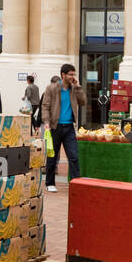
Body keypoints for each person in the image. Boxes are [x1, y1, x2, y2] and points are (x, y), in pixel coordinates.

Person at [41, 64, 86, 193]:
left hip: (69, 127)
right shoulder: (52, 89)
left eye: (74, 74)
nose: (73, 77)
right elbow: (45, 106)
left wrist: (78, 88)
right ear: (63, 75)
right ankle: (50, 183)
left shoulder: (74, 89)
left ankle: (75, 182)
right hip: (55, 127)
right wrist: (46, 122)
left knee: (73, 156)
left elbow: (83, 102)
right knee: (52, 156)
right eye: (71, 74)